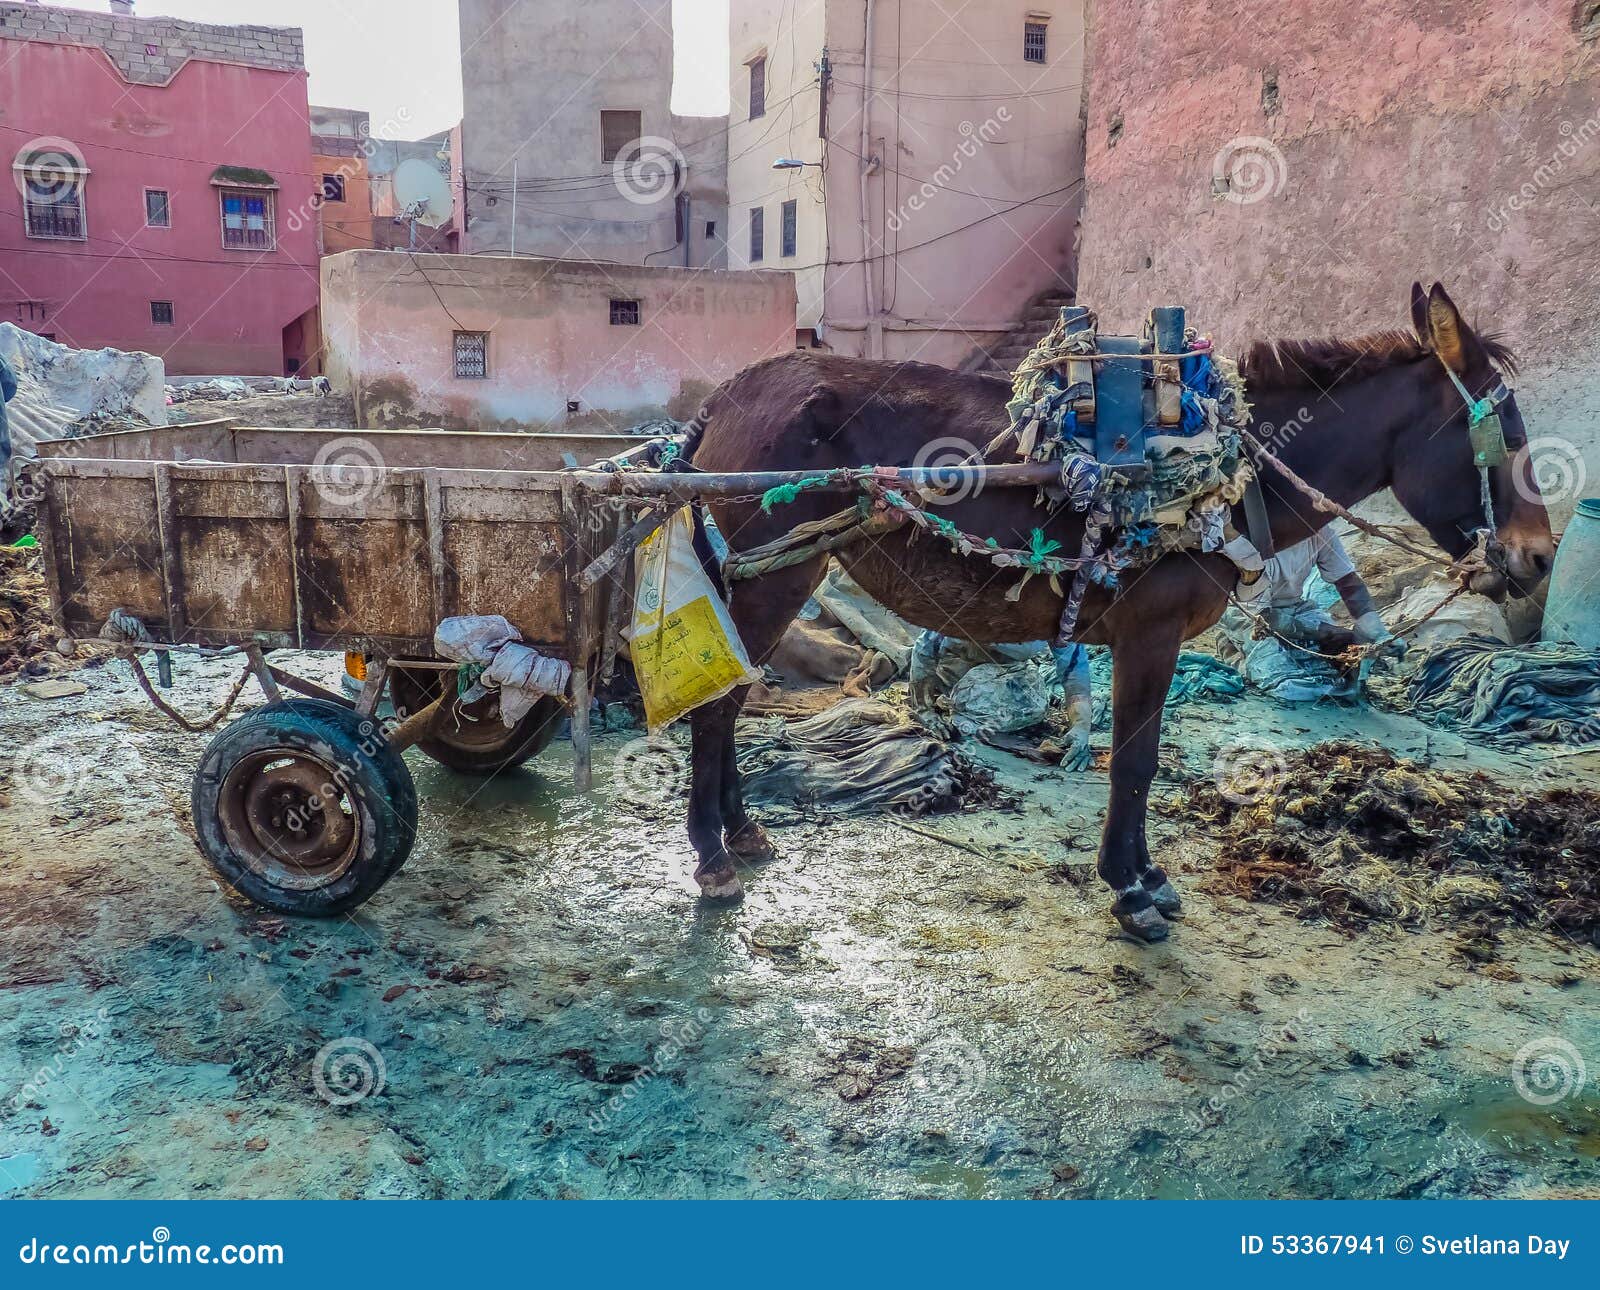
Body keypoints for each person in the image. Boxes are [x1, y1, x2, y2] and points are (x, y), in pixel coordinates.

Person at [908, 632, 1094, 769]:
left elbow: (1075, 668)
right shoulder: (977, 602)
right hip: (961, 682)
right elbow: (925, 647)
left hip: (1014, 674)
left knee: (1033, 706)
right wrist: (924, 709)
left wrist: (1081, 726)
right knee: (978, 712)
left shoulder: (1056, 611)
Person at [1256, 525, 1391, 651]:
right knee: (1280, 670)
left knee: (1346, 653)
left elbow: (1347, 581)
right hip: (1249, 617)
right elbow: (1260, 616)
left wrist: (1375, 630)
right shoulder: (1249, 546)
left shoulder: (1318, 529)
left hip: (1296, 606)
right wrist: (1322, 631)